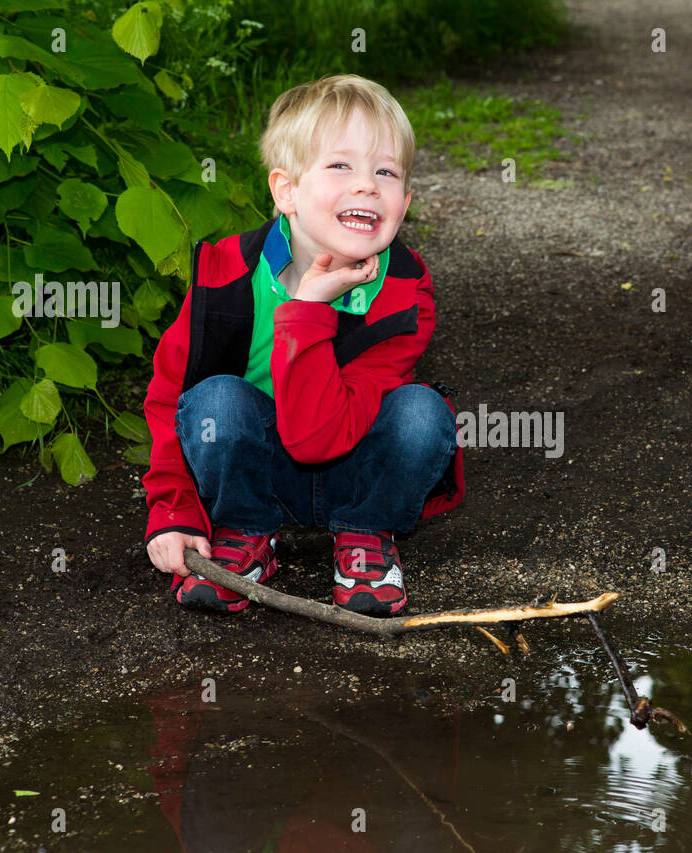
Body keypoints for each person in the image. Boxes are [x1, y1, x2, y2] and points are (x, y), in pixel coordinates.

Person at [142, 74, 464, 617]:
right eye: (341, 165)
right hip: (254, 470)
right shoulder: (224, 274)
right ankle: (244, 534)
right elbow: (167, 399)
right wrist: (173, 513)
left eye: (385, 172)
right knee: (212, 401)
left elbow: (320, 439)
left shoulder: (406, 291)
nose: (367, 185)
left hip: (354, 464)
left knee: (422, 415)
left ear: (404, 202)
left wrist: (310, 311)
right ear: (286, 190)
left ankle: (365, 535)